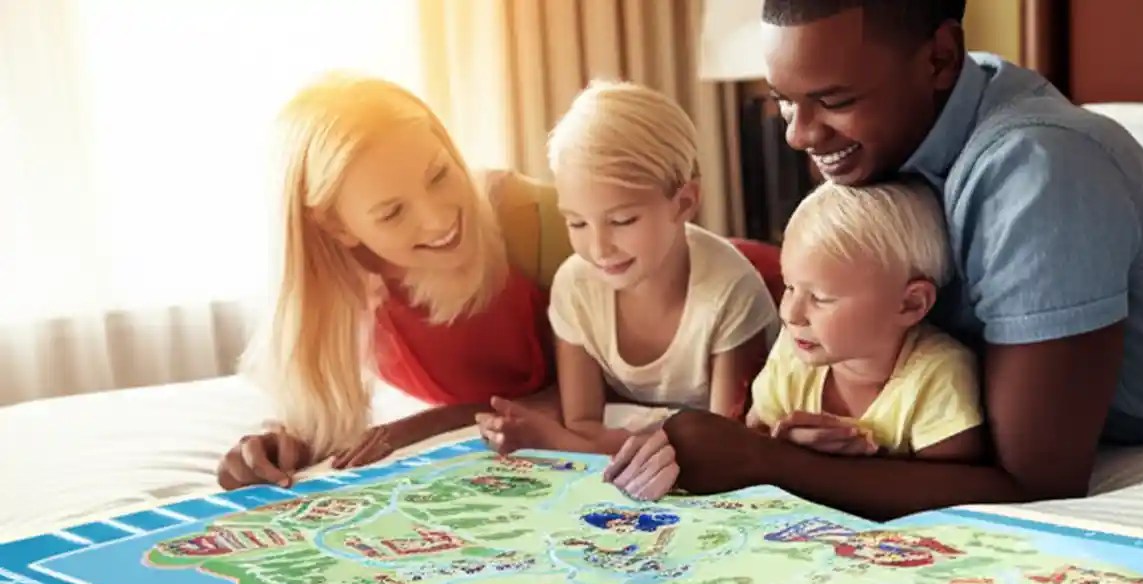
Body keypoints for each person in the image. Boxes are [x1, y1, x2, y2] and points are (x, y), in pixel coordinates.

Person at [604, 0, 1143, 520]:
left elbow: (1035, 485)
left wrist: (764, 462)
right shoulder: (888, 139)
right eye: (785, 99)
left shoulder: (1039, 171)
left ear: (940, 58)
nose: (798, 134)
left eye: (833, 101)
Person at [216, 73, 573, 489]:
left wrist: (423, 427)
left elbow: (632, 384)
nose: (440, 219)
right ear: (337, 228)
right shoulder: (335, 292)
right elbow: (325, 415)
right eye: (391, 213)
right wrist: (285, 444)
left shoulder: (534, 219)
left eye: (439, 174)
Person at [476, 80, 779, 461]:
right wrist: (573, 439)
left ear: (684, 202)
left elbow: (724, 447)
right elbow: (583, 422)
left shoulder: (730, 293)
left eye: (621, 220)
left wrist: (556, 443)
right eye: (577, 223)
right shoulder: (575, 285)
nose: (599, 248)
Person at [749, 178, 984, 461]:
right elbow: (752, 439)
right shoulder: (793, 354)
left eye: (821, 298)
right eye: (789, 288)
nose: (790, 314)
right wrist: (783, 443)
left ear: (910, 303)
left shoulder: (937, 375)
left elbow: (955, 488)